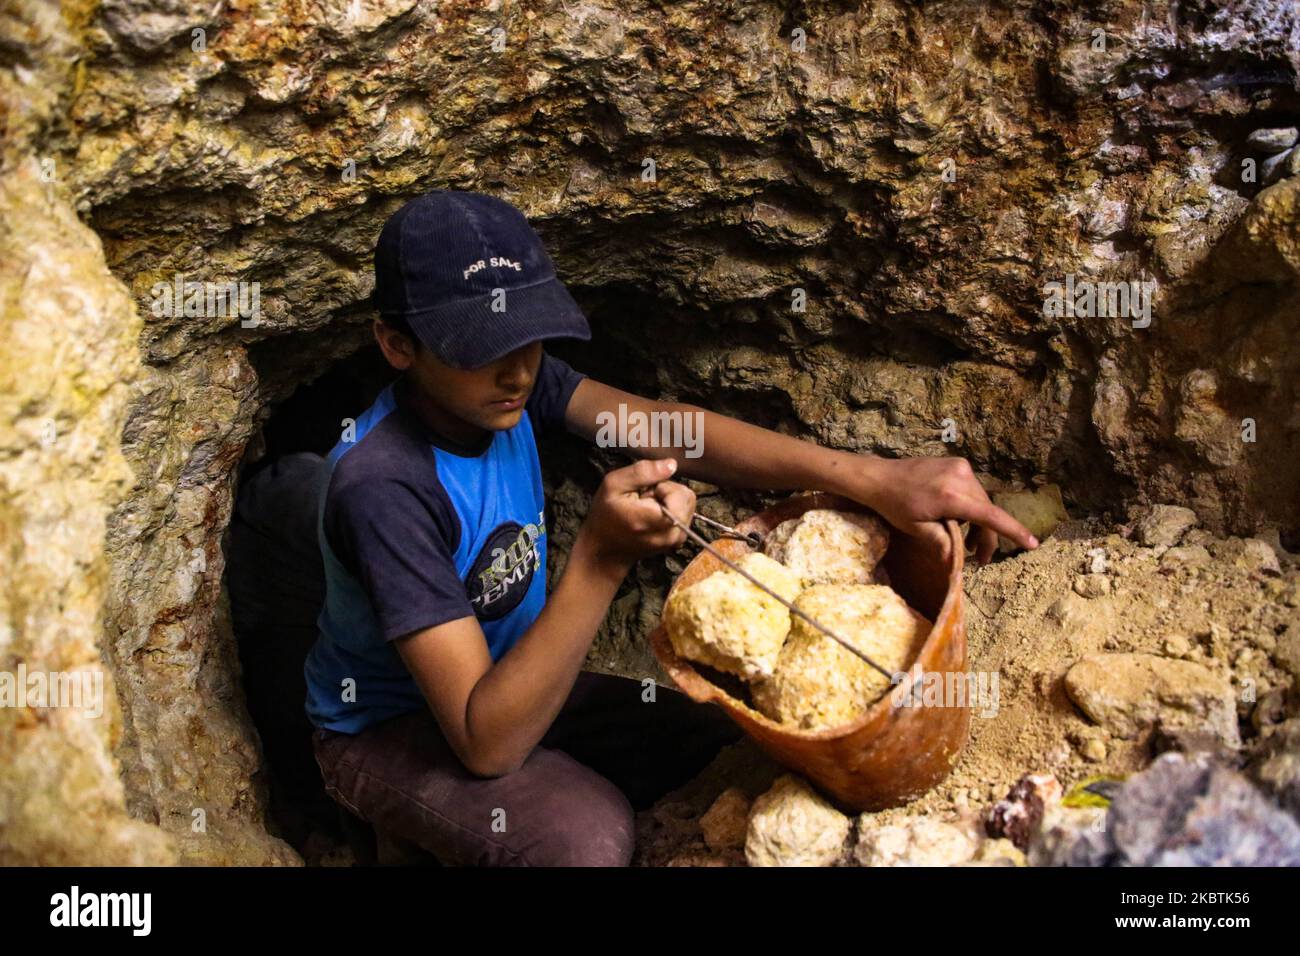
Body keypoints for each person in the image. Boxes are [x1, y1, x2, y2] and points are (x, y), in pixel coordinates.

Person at [304, 190, 1038, 867]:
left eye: (527, 338)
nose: (517, 372)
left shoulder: (519, 388)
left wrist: (864, 476)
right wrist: (599, 556)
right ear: (397, 345)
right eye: (479, 347)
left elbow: (670, 430)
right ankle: (395, 831)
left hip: (518, 675)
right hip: (396, 729)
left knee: (721, 740)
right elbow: (485, 742)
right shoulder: (384, 486)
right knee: (584, 838)